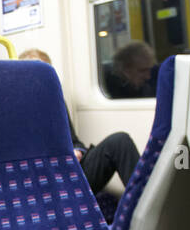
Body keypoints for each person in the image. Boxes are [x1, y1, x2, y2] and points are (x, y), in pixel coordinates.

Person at [19, 47, 139, 216]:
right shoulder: (14, 111)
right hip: (45, 180)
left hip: (71, 170)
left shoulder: (55, 102)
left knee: (120, 141)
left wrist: (77, 151)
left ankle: (145, 207)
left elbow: (75, 141)